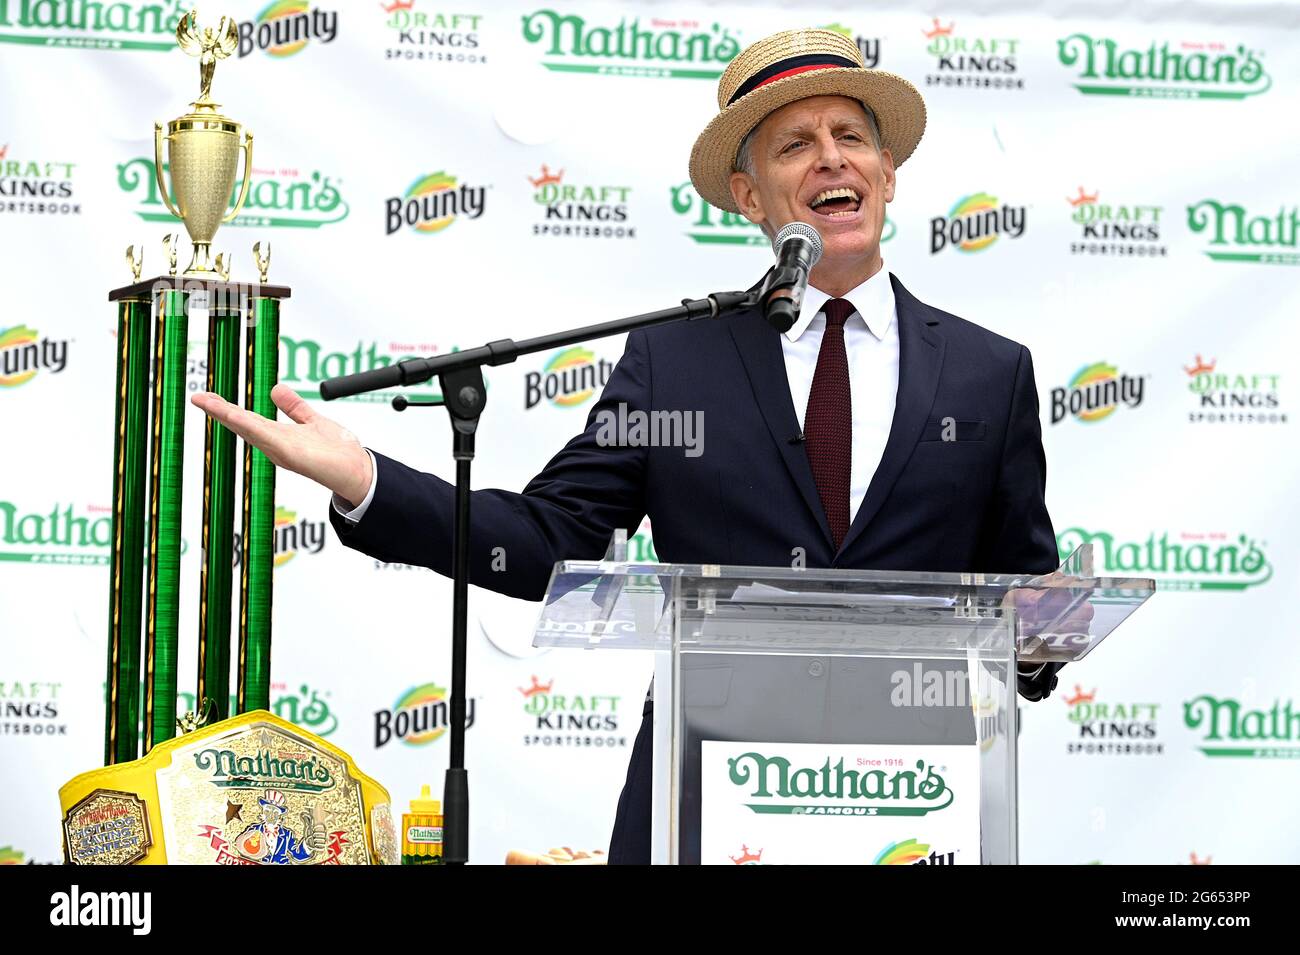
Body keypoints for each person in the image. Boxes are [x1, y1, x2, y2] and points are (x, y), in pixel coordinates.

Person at [192, 28, 1064, 865]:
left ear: (887, 174)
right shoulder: (676, 361)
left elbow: (1022, 618)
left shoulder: (991, 373)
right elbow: (548, 538)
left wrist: (1042, 631)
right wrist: (370, 482)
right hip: (706, 802)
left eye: (850, 137)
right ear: (751, 195)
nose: (831, 157)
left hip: (920, 808)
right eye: (795, 143)